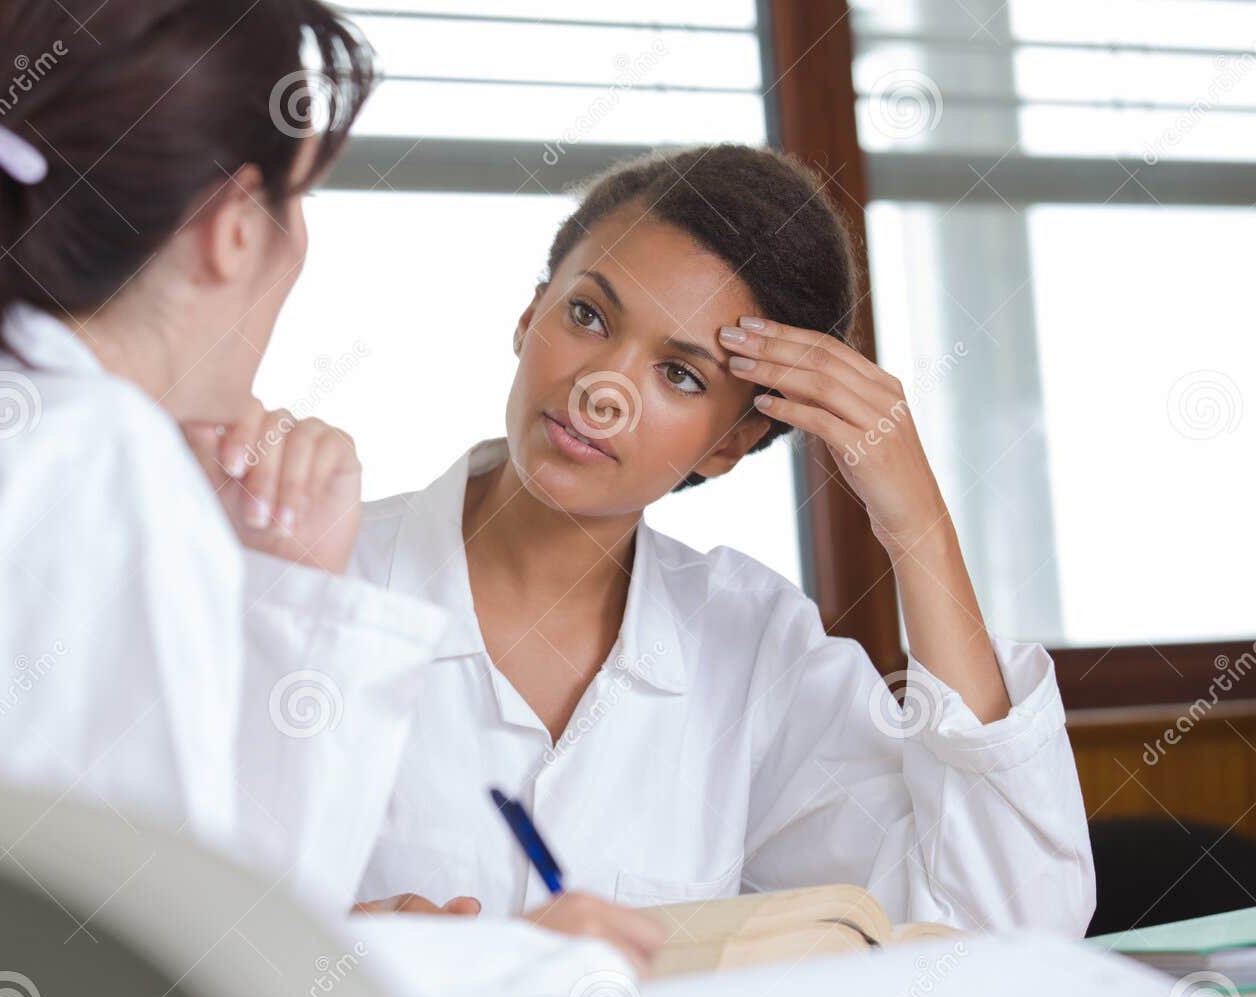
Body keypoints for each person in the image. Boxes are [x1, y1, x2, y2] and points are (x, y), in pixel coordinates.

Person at [0, 0, 662, 967]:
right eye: (298, 200)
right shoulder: (75, 457)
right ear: (233, 222)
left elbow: (135, 943)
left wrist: (283, 596)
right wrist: (497, 969)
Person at [213, 144, 1095, 932]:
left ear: (727, 443)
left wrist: (919, 526)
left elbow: (1007, 923)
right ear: (530, 317)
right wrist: (339, 946)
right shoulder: (303, 569)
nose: (605, 389)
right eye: (589, 316)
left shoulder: (752, 646)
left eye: (679, 373)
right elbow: (136, 905)